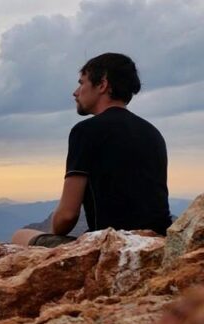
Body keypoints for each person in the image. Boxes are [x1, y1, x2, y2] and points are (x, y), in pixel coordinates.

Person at [12, 53, 172, 247]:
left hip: (110, 246)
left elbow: (67, 216)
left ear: (102, 84)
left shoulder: (86, 131)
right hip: (155, 243)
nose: (76, 92)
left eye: (82, 83)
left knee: (20, 236)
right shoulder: (152, 133)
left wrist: (53, 244)